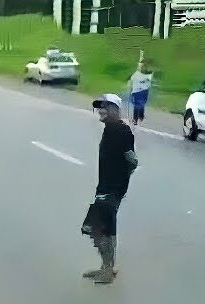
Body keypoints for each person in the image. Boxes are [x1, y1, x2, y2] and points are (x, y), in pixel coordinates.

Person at [80, 93, 137, 285]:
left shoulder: (121, 131)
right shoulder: (110, 129)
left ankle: (108, 269)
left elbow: (132, 160)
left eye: (105, 107)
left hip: (111, 189)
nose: (100, 111)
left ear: (114, 110)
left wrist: (121, 182)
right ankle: (107, 268)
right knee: (106, 228)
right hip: (106, 186)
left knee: (97, 227)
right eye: (99, 107)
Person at [127, 60, 153, 126]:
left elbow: (131, 82)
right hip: (141, 91)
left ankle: (138, 118)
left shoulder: (138, 75)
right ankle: (139, 117)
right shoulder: (140, 75)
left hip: (140, 91)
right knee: (140, 104)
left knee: (138, 105)